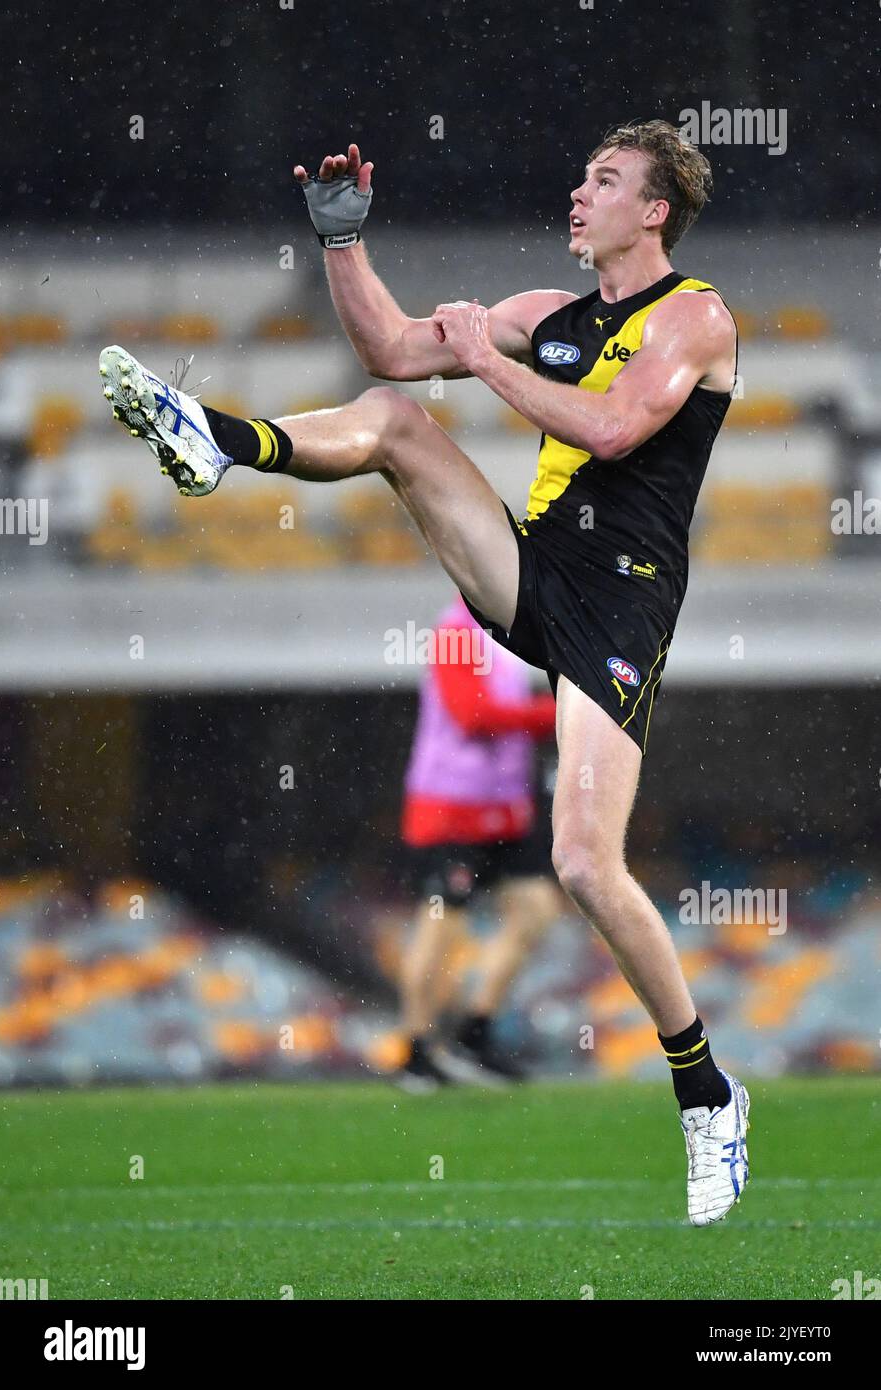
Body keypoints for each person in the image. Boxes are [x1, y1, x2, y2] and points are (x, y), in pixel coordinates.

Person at [97, 119, 748, 1225]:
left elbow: (613, 428)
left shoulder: (694, 316)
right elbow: (393, 351)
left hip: (622, 602)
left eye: (603, 180)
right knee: (393, 419)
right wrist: (340, 242)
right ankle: (218, 440)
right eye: (581, 174)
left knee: (583, 864)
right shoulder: (546, 314)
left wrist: (486, 360)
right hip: (533, 570)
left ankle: (705, 1093)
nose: (577, 193)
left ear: (653, 211)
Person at [397, 592, 562, 1092]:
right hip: (452, 807)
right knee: (442, 929)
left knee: (536, 910)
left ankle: (474, 1031)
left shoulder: (503, 634)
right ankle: (418, 1052)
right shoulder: (457, 632)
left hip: (502, 805)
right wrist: (557, 714)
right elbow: (472, 715)